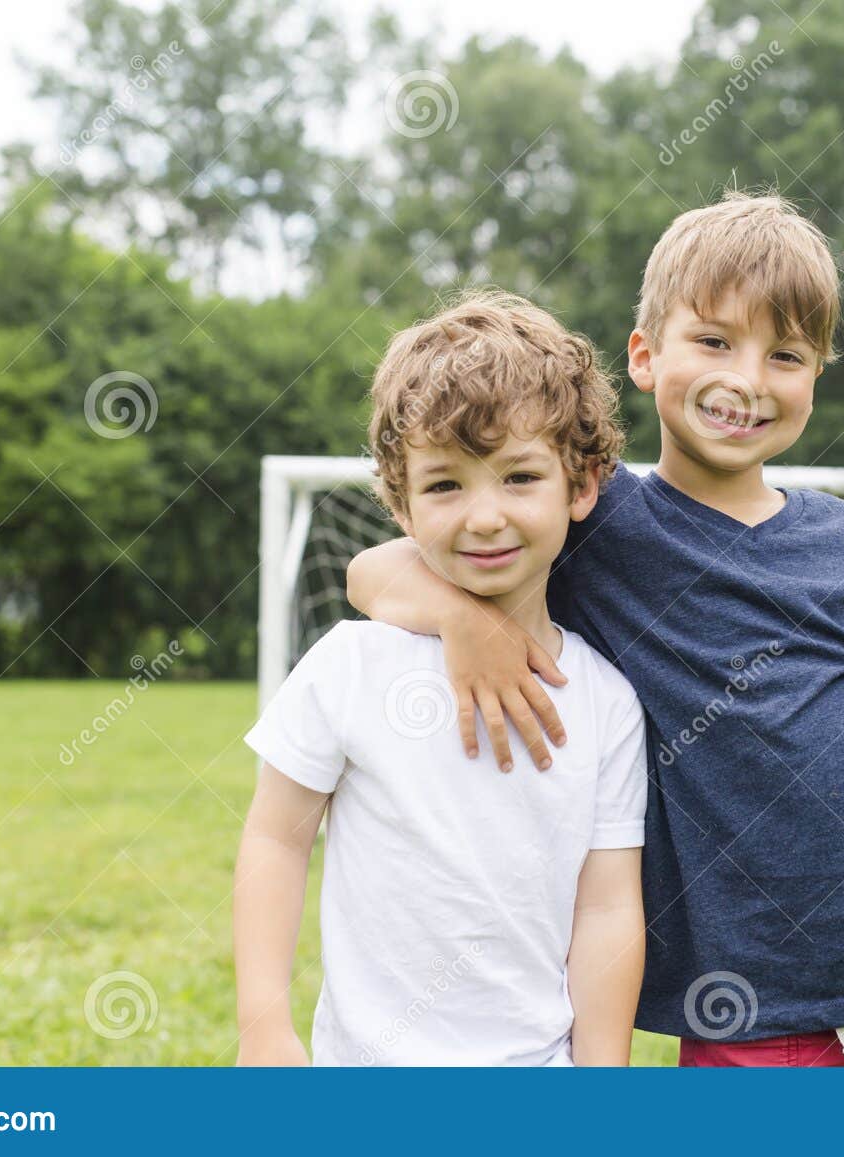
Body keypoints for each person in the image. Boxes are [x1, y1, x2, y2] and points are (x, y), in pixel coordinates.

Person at [346, 191, 844, 1067]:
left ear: (815, 379)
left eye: (786, 354)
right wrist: (466, 621)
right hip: (749, 1015)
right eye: (714, 341)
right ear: (646, 355)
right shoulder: (598, 524)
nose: (748, 379)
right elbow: (373, 571)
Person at [234, 290, 647, 1066]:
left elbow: (606, 908)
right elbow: (274, 840)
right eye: (446, 485)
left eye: (519, 476)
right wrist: (263, 1026)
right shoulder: (350, 665)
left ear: (581, 485)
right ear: (401, 504)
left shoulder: (608, 702)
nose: (484, 516)